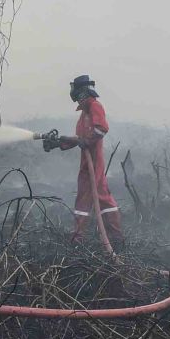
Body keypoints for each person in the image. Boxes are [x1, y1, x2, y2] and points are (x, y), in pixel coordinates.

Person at [44, 75, 124, 250]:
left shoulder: (95, 106)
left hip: (94, 162)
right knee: (92, 199)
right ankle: (88, 239)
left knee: (95, 198)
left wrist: (86, 141)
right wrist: (59, 143)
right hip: (86, 163)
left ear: (82, 91)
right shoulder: (84, 114)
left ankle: (109, 239)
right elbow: (79, 139)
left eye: (76, 90)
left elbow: (101, 129)